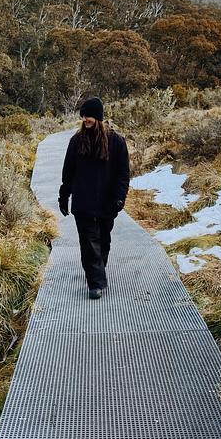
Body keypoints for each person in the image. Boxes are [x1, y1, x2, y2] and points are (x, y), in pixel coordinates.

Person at [58, 96, 130, 299]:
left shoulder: (116, 142)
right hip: (83, 202)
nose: (84, 119)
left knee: (103, 240)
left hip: (107, 203)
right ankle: (95, 283)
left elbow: (122, 174)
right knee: (89, 243)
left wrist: (119, 198)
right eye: (82, 116)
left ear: (98, 117)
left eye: (88, 116)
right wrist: (64, 197)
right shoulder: (76, 141)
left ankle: (96, 270)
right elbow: (68, 172)